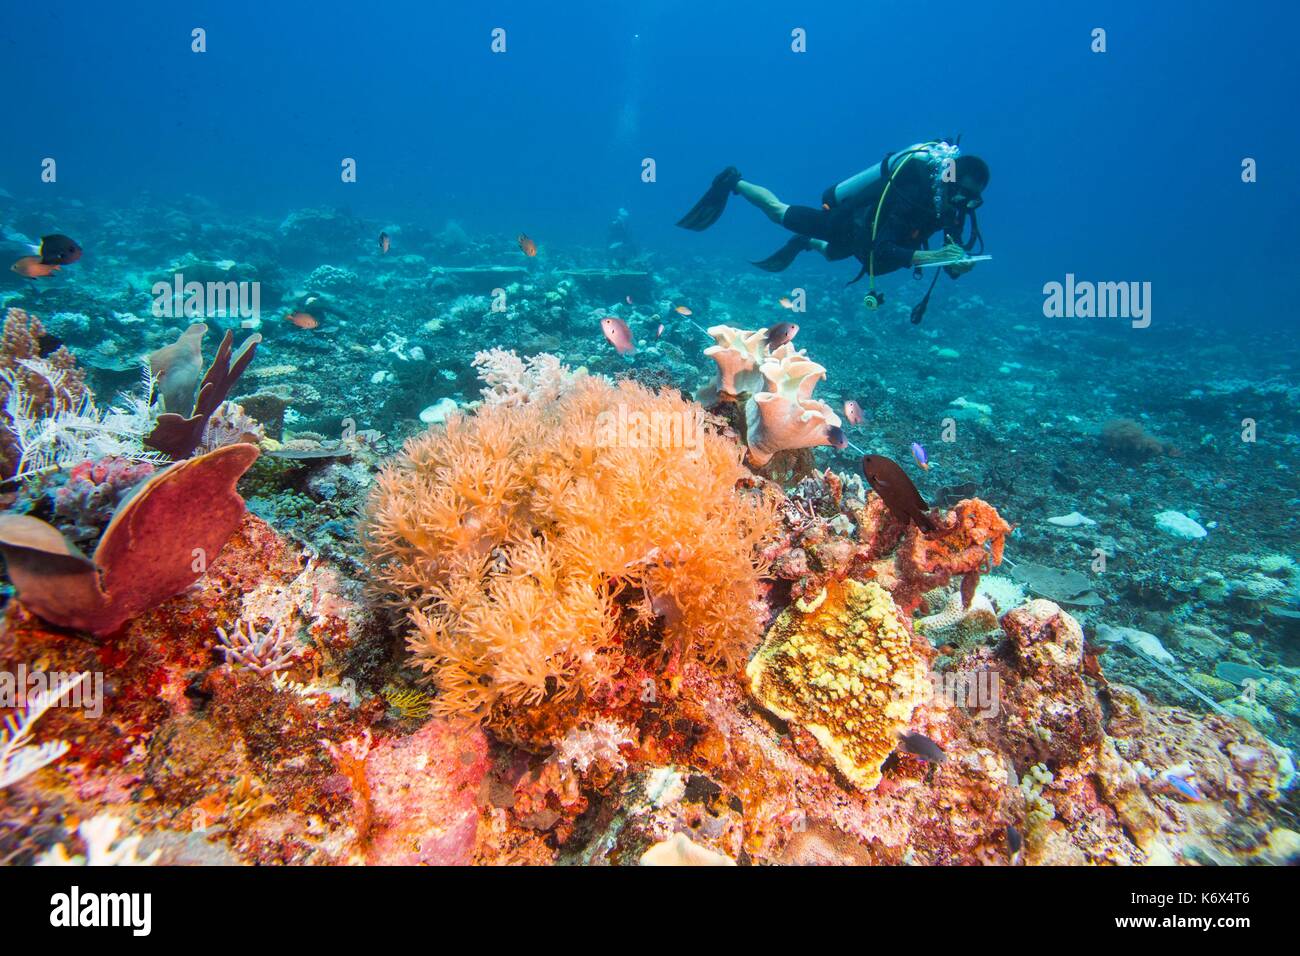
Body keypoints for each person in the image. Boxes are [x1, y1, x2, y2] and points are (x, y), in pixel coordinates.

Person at [676, 141, 989, 322]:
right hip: (846, 223)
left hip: (870, 248)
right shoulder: (910, 192)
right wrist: (933, 255)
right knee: (779, 212)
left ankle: (807, 244)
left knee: (836, 256)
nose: (964, 203)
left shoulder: (949, 207)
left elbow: (948, 259)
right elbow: (882, 247)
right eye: (962, 193)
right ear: (949, 180)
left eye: (972, 199)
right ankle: (734, 182)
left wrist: (958, 263)